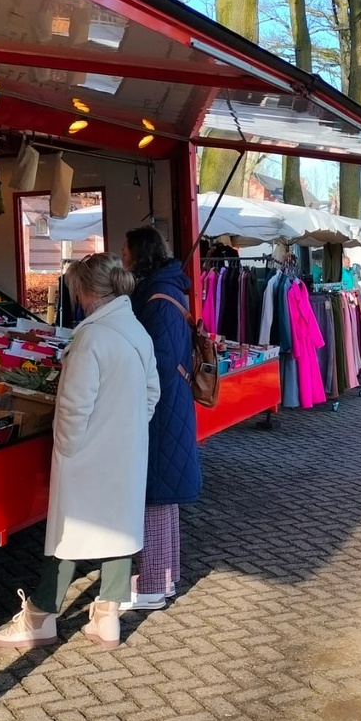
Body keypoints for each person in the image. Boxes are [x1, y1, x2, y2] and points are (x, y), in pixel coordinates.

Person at [0, 254, 160, 653]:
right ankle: (107, 617)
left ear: (85, 292)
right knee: (118, 527)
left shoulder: (91, 337)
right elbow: (152, 392)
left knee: (68, 534)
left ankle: (40, 615)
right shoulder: (135, 329)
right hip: (125, 450)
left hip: (87, 454)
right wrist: (129, 427)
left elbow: (72, 407)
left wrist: (67, 451)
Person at [122, 227, 201, 611]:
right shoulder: (168, 288)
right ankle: (166, 576)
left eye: (125, 250)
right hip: (173, 404)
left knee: (153, 493)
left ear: (139, 255)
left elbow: (160, 361)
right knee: (164, 496)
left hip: (161, 408)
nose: (122, 256)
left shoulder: (154, 297)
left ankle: (152, 583)